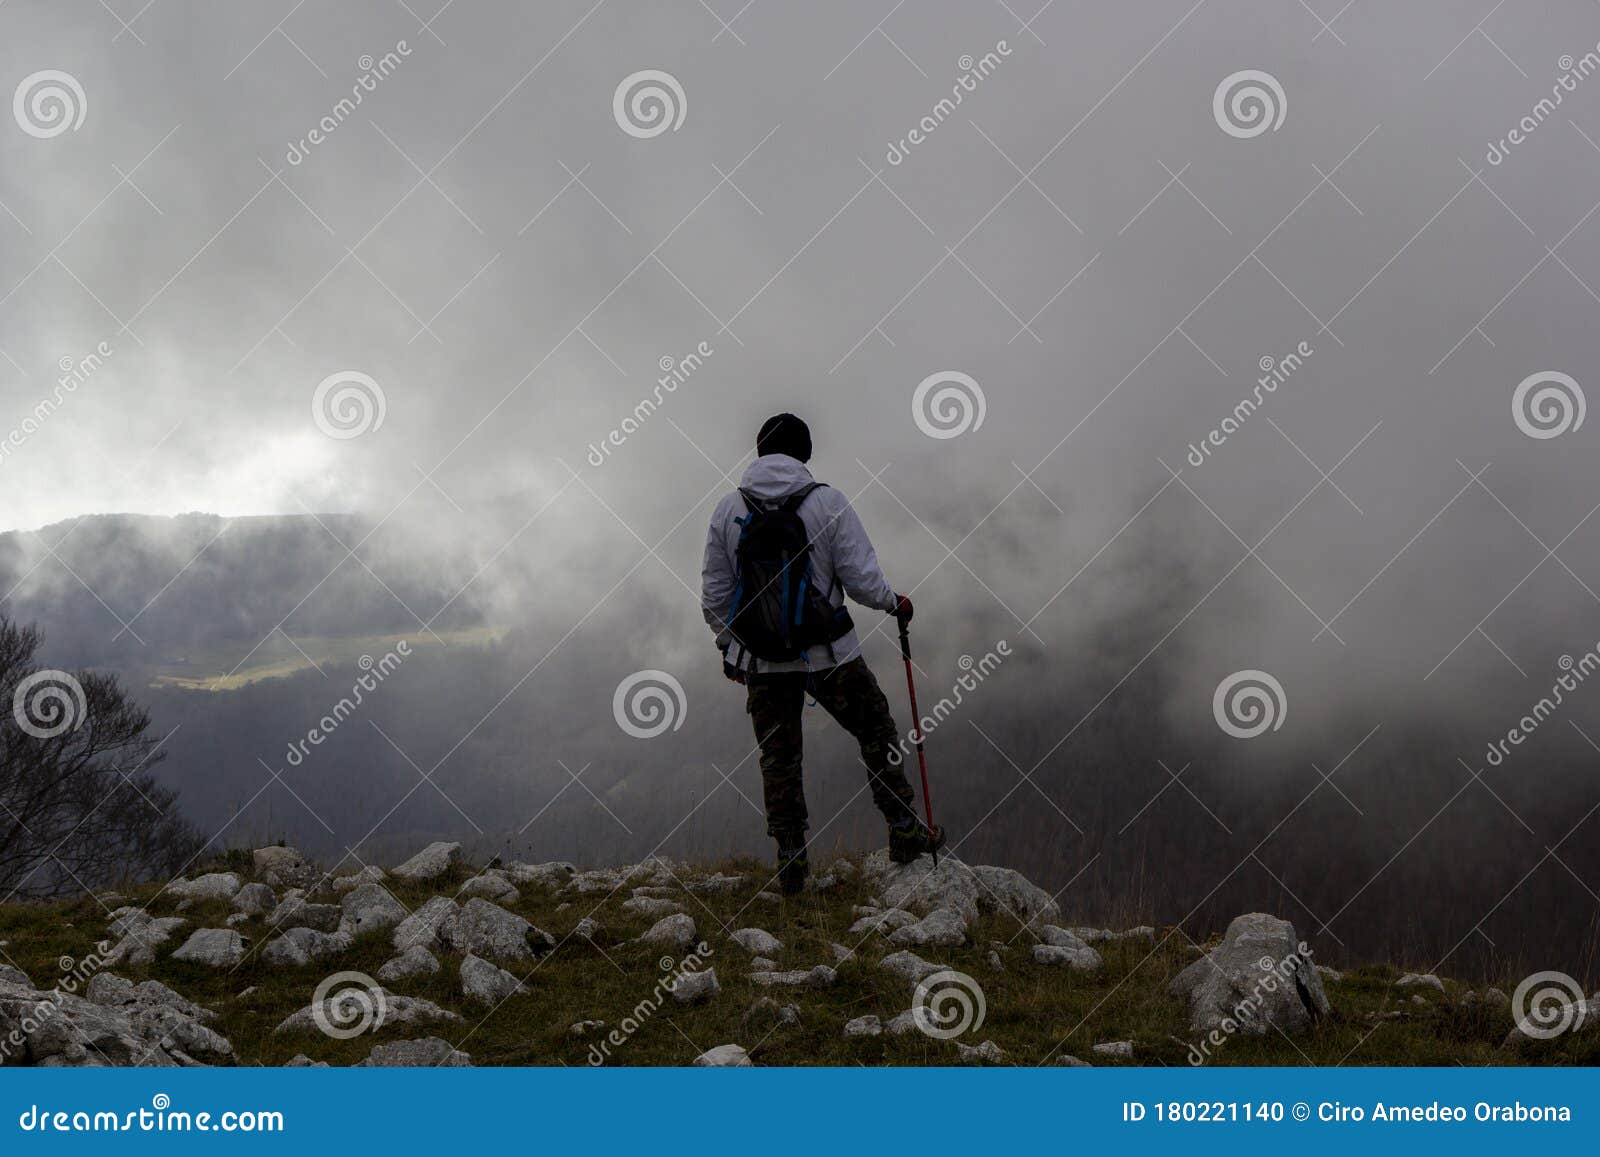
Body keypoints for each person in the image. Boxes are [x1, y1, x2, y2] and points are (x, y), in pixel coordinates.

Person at [701, 413, 945, 893]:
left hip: (763, 663)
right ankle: (904, 829)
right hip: (830, 654)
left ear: (759, 452)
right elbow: (859, 578)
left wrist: (730, 647)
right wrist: (895, 603)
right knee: (875, 729)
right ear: (804, 454)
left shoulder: (729, 508)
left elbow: (714, 594)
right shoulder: (827, 503)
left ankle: (791, 861)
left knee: (779, 758)